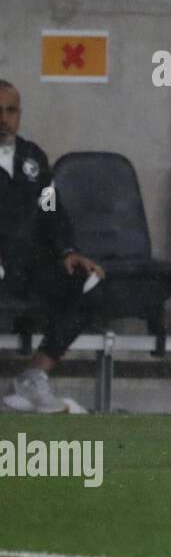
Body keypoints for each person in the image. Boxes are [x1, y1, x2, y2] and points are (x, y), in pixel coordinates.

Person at [0, 79, 104, 414]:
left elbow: (51, 209)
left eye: (10, 110)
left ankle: (34, 378)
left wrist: (68, 252)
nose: (3, 118)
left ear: (19, 115)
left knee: (88, 284)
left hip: (28, 264)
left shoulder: (33, 157)